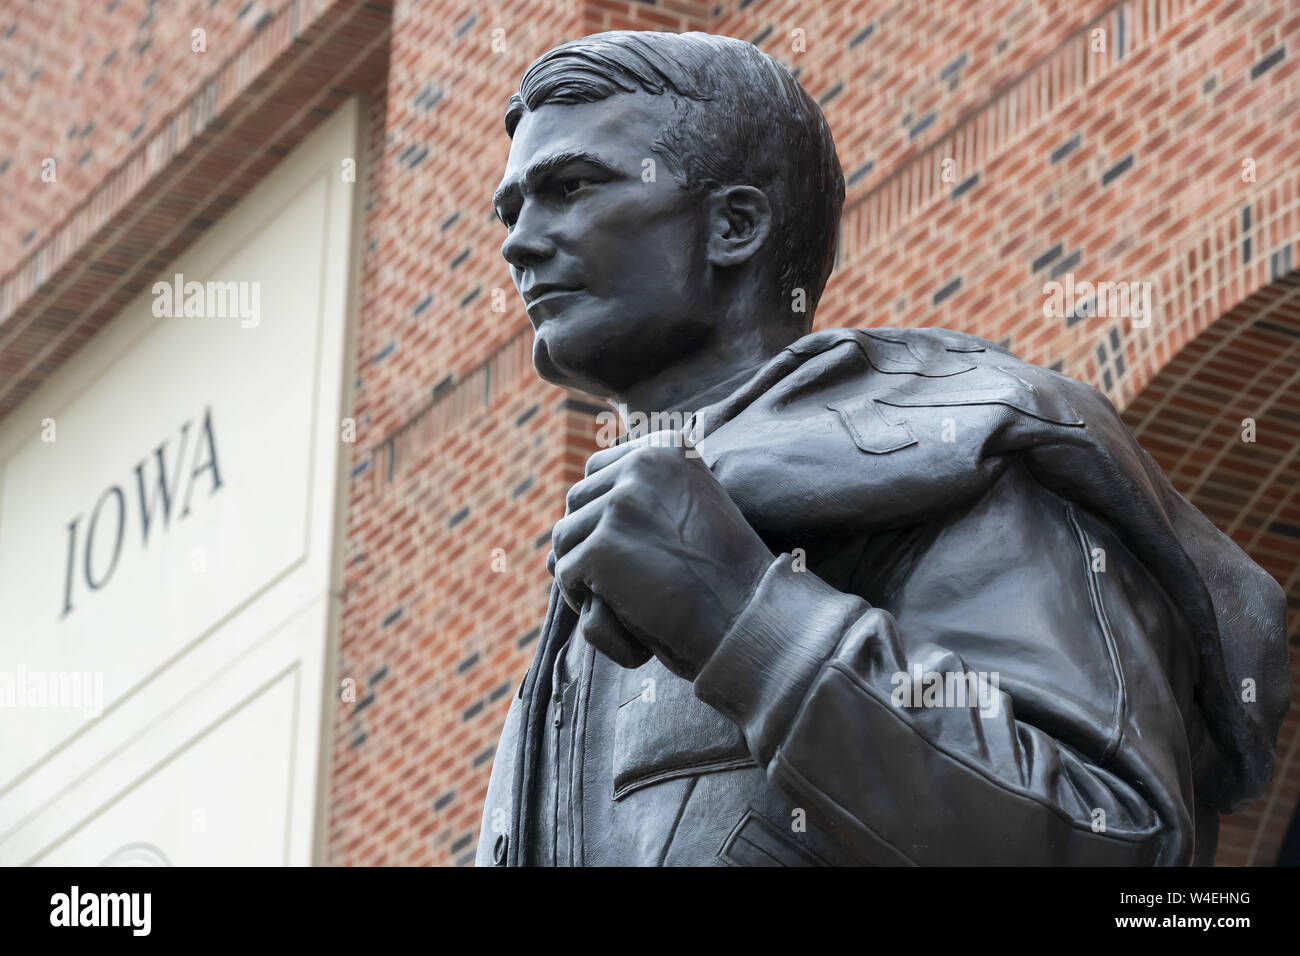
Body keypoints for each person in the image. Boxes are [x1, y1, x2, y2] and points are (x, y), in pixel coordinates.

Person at [475, 30, 1288, 866]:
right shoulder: (574, 627)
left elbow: (1125, 853)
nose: (518, 242)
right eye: (510, 210)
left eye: (570, 187)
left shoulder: (957, 458)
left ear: (735, 226)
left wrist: (747, 616)